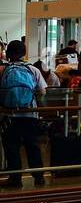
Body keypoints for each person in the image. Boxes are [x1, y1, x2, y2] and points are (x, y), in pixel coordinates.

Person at [1, 39, 47, 188]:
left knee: (12, 147)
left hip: (9, 116)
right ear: (24, 53)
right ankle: (39, 177)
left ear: (8, 54)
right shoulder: (33, 70)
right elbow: (42, 92)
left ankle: (15, 179)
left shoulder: (3, 70)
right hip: (30, 115)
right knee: (32, 146)